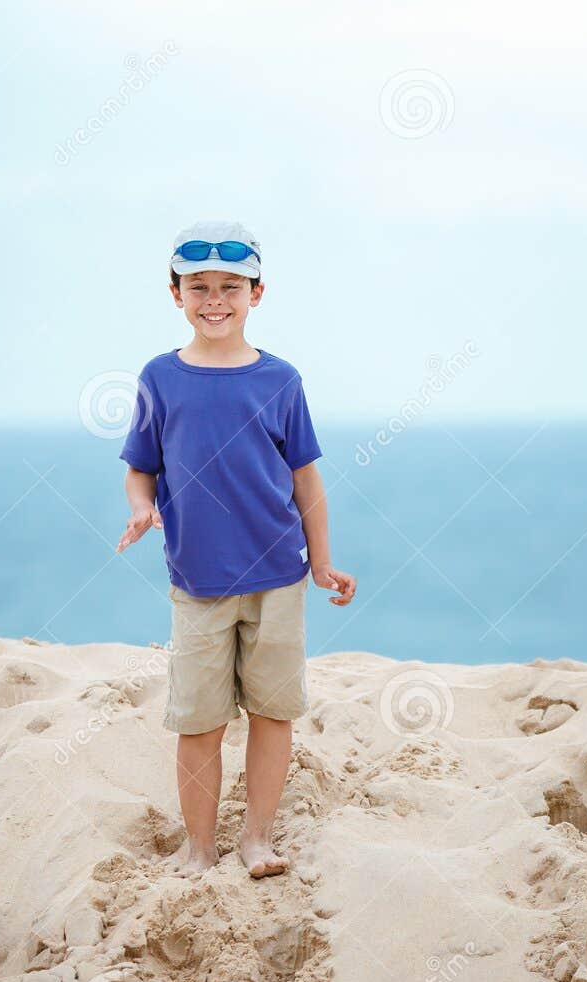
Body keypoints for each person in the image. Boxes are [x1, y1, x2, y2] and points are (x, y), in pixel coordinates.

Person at [114, 220, 356, 878]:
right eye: (199, 287)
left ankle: (257, 838)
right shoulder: (159, 378)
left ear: (257, 293)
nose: (214, 299)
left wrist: (322, 562)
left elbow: (307, 481)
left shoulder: (281, 380)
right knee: (199, 722)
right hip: (197, 583)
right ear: (176, 294)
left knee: (273, 713)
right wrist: (141, 507)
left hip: (278, 576)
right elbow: (141, 468)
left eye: (230, 286)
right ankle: (199, 847)